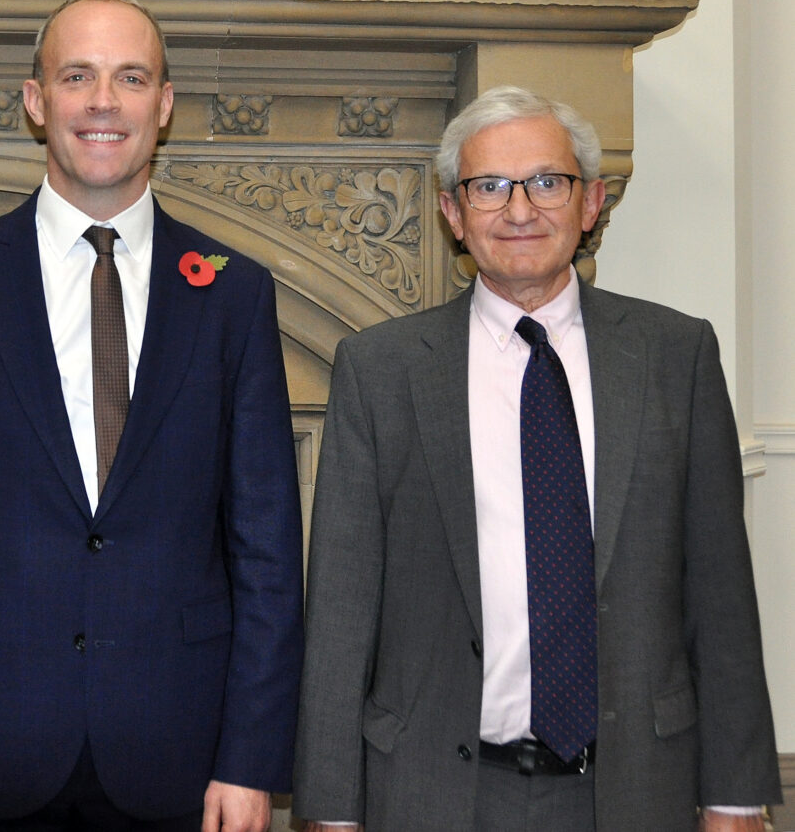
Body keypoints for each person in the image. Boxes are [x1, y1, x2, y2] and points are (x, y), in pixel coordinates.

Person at [0, 0, 304, 832]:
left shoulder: (235, 294)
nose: (103, 102)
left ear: (163, 106)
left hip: (183, 761)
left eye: (131, 77)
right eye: (77, 76)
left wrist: (253, 761)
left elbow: (268, 551)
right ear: (35, 100)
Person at [292, 85, 780, 832]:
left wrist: (737, 793)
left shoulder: (675, 356)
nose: (520, 211)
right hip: (433, 790)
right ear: (454, 215)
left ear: (592, 203)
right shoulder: (381, 370)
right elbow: (340, 608)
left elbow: (720, 594)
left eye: (548, 182)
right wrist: (328, 809)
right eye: (489, 187)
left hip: (635, 790)